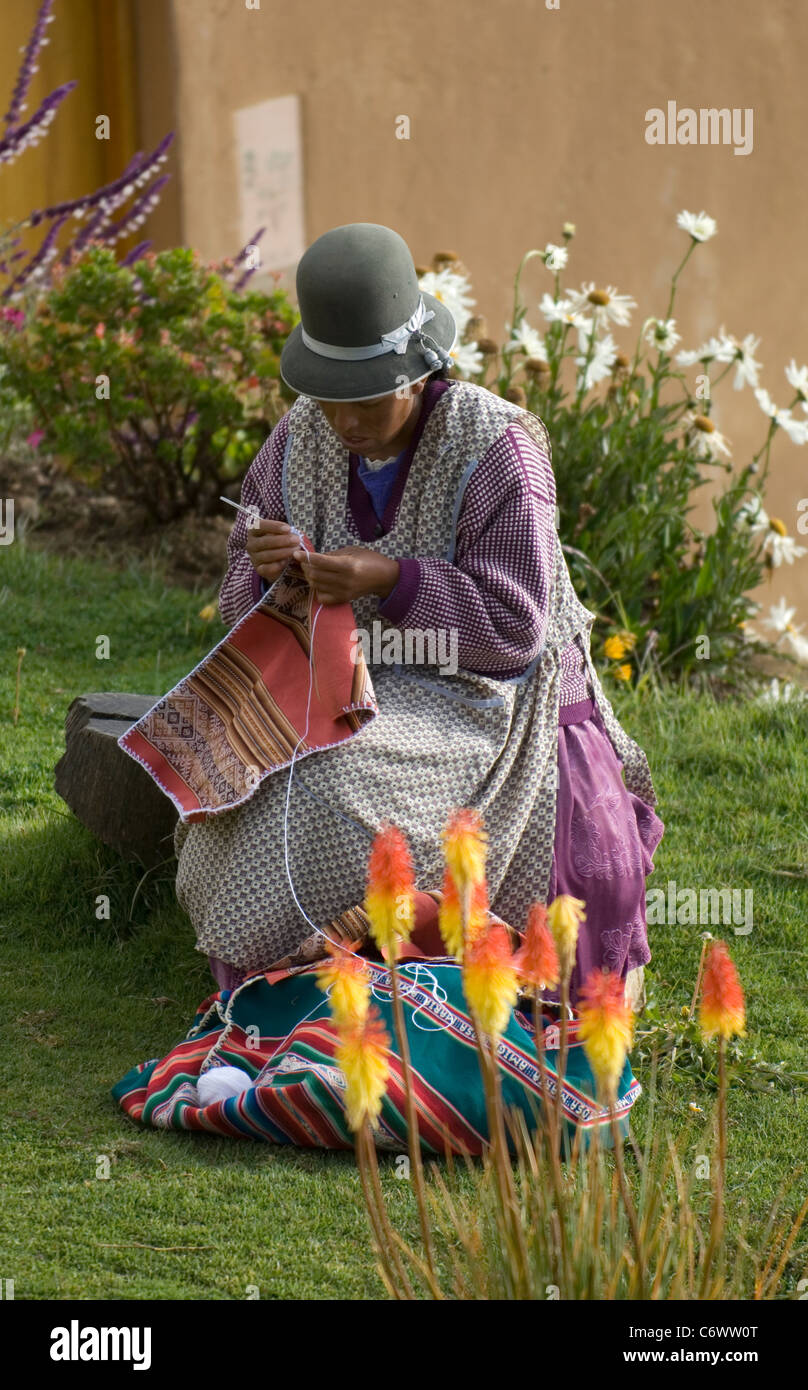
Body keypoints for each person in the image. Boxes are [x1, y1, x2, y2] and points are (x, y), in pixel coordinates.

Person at [173, 222, 664, 1010]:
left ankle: (374, 974)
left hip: (486, 692)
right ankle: (278, 988)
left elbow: (513, 629)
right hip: (346, 680)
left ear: (420, 369)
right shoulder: (302, 437)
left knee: (331, 789)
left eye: (368, 398)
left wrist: (391, 578)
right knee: (254, 773)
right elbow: (240, 602)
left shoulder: (496, 445)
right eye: (331, 400)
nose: (347, 424)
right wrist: (266, 575)